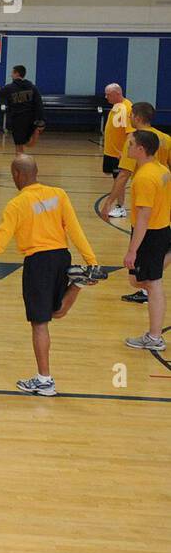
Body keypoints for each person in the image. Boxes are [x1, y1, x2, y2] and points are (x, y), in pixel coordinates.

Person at [0, 155, 102, 396]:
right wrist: (92, 261)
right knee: (57, 311)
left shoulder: (17, 204)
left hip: (38, 262)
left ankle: (44, 380)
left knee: (39, 323)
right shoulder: (59, 194)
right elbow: (75, 229)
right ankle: (77, 284)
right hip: (61, 257)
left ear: (18, 175)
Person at [102, 103, 171, 304]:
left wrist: (110, 202)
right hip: (164, 198)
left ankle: (150, 287)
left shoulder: (133, 140)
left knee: (140, 270)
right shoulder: (165, 138)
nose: (130, 117)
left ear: (138, 117)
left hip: (147, 200)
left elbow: (123, 175)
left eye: (132, 115)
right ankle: (151, 284)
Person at [122, 130, 171, 352]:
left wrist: (132, 250)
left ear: (140, 149)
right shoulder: (162, 170)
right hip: (161, 230)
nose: (128, 147)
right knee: (139, 281)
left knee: (152, 284)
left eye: (130, 144)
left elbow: (143, 217)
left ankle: (154, 337)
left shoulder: (143, 178)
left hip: (150, 234)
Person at [0, 64, 45, 156]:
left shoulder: (10, 87)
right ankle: (35, 132)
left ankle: (20, 164)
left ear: (17, 73)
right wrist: (41, 120)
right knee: (27, 143)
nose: (11, 75)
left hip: (18, 119)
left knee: (18, 145)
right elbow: (39, 104)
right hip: (31, 118)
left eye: (12, 73)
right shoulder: (32, 87)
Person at [100, 83, 134, 219]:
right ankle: (119, 206)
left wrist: (125, 152)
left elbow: (130, 133)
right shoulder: (117, 106)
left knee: (119, 179)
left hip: (119, 154)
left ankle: (120, 207)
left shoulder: (126, 108)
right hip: (111, 152)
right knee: (115, 178)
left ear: (117, 94)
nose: (106, 97)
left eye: (108, 94)